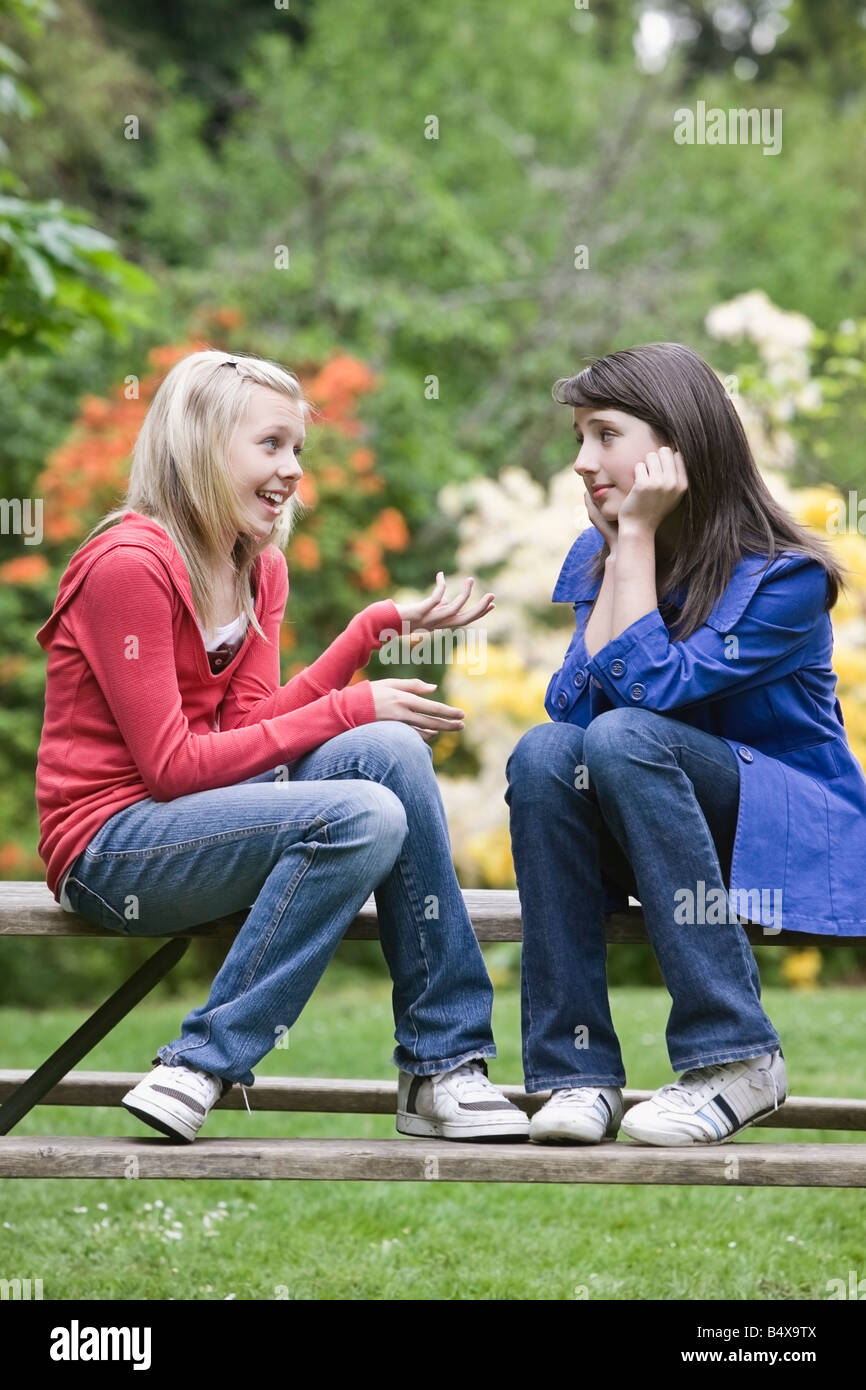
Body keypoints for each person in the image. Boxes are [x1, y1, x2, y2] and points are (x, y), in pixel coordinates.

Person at [35, 348, 529, 1144]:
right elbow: (170, 769)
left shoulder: (258, 569)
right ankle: (202, 1061)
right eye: (270, 445)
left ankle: (443, 1065)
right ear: (199, 445)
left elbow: (250, 738)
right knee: (363, 809)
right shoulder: (129, 564)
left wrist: (369, 631)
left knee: (391, 755)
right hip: (110, 847)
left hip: (202, 823)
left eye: (297, 448)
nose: (294, 469)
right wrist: (349, 705)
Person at [505, 341, 866, 1147]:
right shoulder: (602, 555)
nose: (581, 462)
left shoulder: (785, 579)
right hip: (659, 823)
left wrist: (631, 539)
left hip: (784, 835)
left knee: (629, 735)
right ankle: (576, 1070)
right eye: (577, 440)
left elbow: (646, 694)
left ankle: (735, 1057)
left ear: (677, 444)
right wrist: (620, 551)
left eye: (604, 435)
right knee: (539, 753)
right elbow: (569, 717)